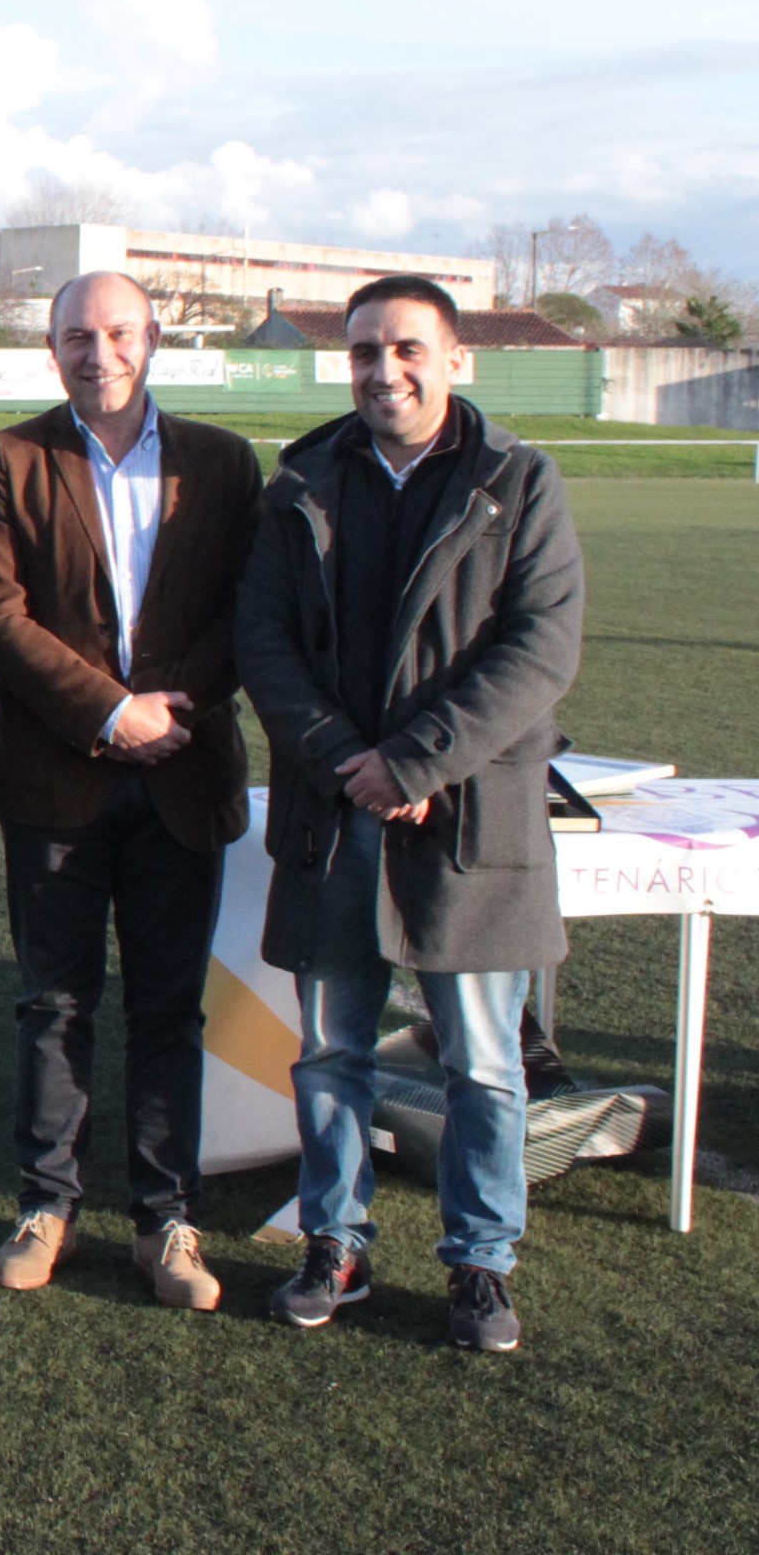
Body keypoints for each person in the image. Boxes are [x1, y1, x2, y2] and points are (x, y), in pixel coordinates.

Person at [237, 274, 583, 1353]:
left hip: (468, 822)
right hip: (335, 808)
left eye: (404, 351)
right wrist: (351, 759)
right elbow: (262, 643)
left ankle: (478, 1263)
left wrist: (418, 758)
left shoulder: (515, 480)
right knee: (332, 1055)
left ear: (452, 359)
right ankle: (332, 1244)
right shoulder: (301, 479)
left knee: (480, 1062)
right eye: (362, 354)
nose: (382, 371)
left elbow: (538, 650)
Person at [0, 271, 262, 1310]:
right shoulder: (10, 457)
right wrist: (106, 711)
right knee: (52, 1003)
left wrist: (172, 707)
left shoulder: (220, 463)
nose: (99, 353)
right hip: (55, 777)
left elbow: (247, 610)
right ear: (51, 348)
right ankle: (45, 1206)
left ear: (152, 339)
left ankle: (164, 1220)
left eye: (118, 332)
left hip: (182, 771)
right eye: (77, 335)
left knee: (170, 1009)